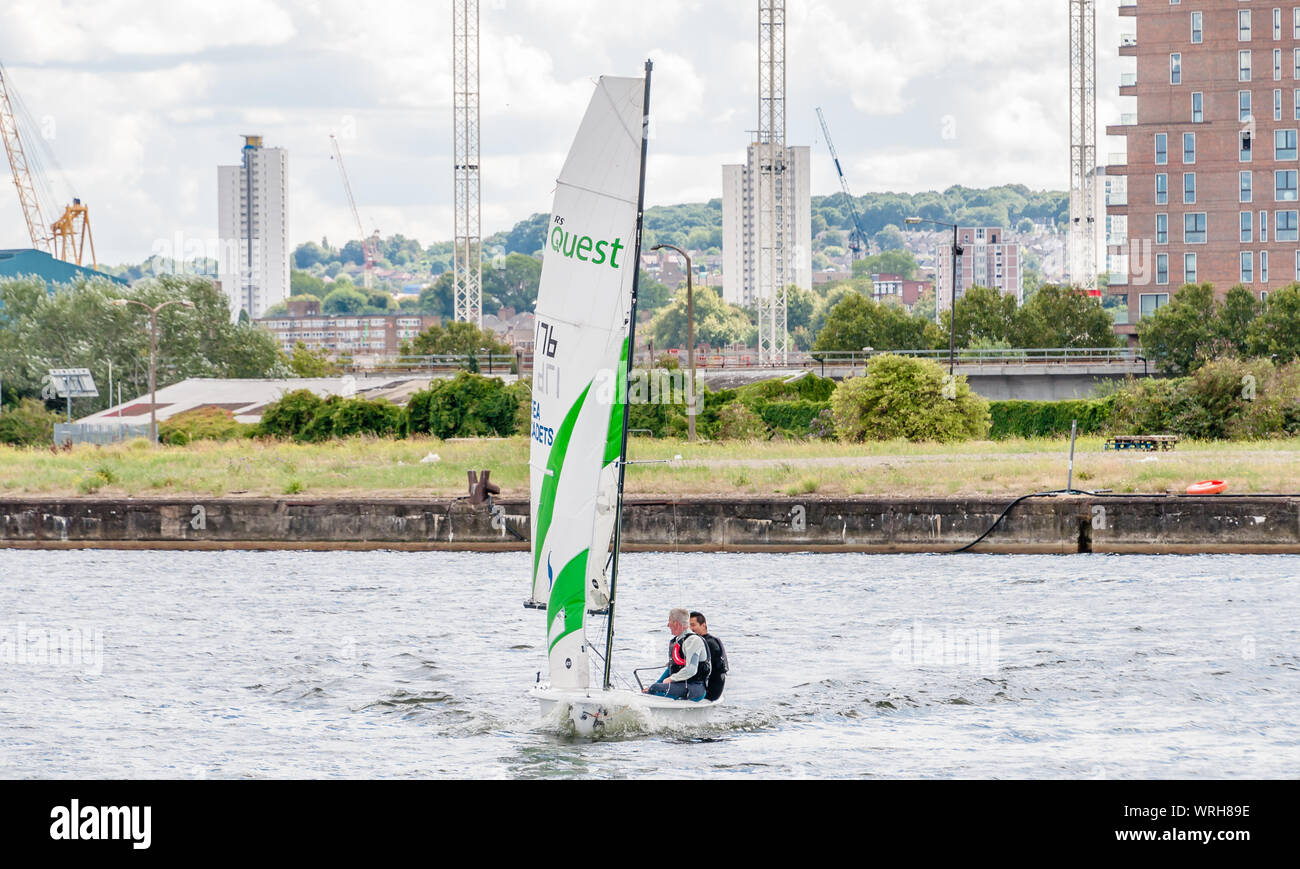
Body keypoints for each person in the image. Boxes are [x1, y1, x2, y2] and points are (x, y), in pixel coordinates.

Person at [644, 607, 710, 701]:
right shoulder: (677, 640)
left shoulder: (693, 641)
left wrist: (671, 679)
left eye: (669, 621)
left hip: (695, 688)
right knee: (653, 688)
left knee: (656, 689)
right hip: (680, 685)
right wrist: (654, 685)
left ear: (676, 623)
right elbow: (671, 667)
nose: (667, 625)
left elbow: (691, 670)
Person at [690, 611, 728, 702]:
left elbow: (700, 671)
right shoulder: (710, 639)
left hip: (710, 691)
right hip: (715, 688)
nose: (690, 628)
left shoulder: (708, 643)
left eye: (693, 625)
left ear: (703, 625)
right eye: (689, 626)